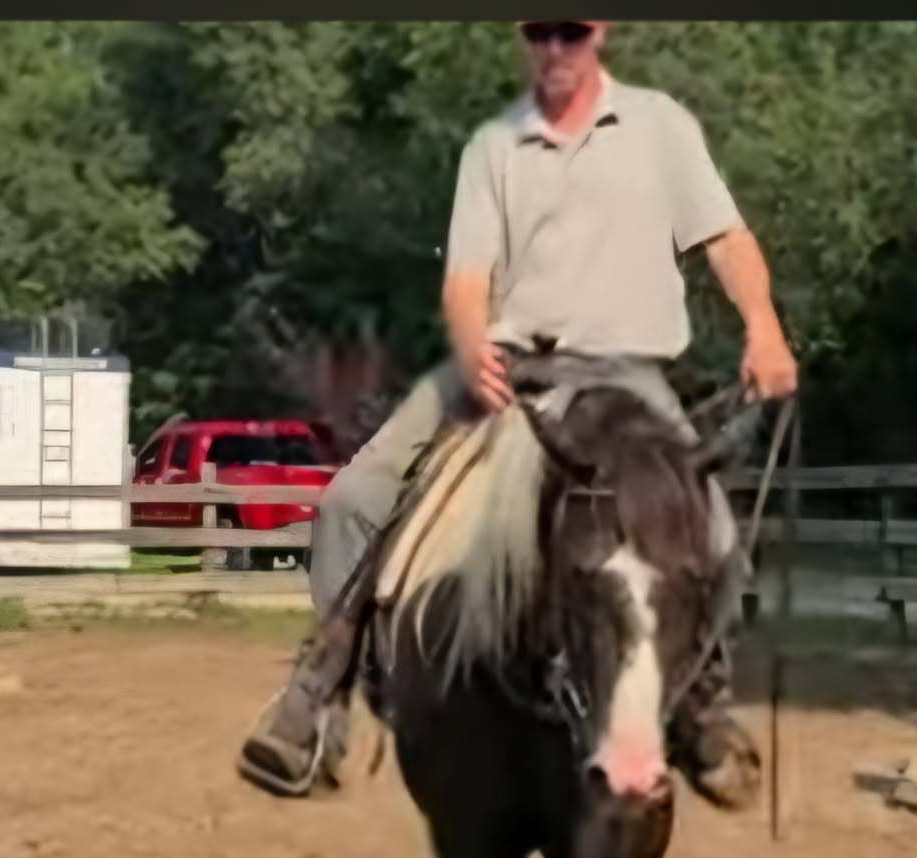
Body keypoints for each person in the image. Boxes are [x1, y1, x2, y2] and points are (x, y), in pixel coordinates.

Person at [239, 19, 798, 800]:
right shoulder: (493, 147)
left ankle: (700, 705)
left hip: (626, 372)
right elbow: (467, 279)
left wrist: (764, 325)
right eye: (541, 33)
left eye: (571, 32)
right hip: (507, 361)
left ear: (599, 32)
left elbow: (727, 239)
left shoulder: (661, 128)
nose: (555, 48)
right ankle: (319, 698)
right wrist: (472, 348)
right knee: (353, 500)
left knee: (713, 525)